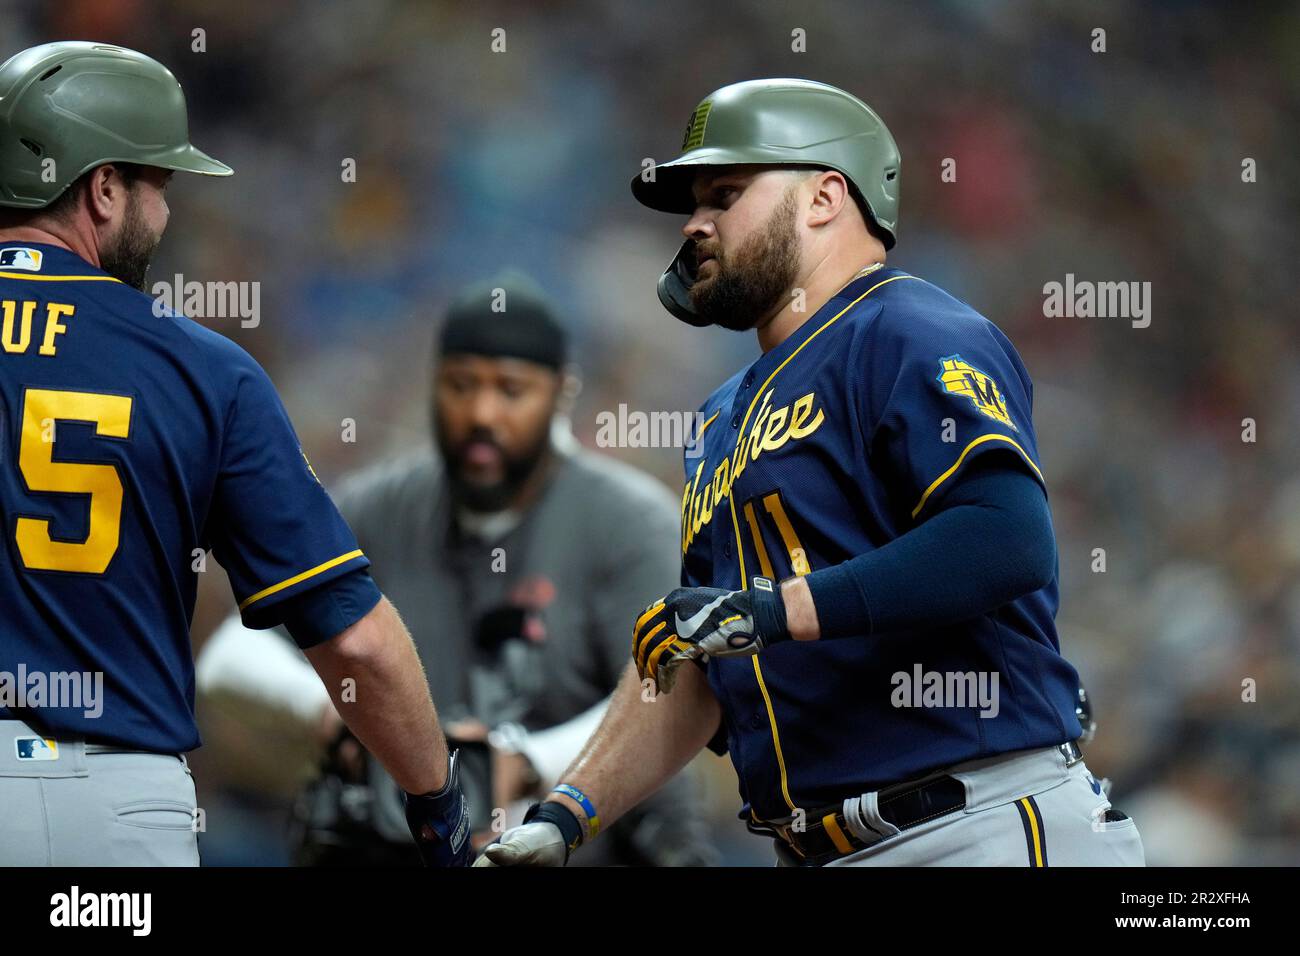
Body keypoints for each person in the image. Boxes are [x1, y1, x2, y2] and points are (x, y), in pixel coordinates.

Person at [476, 78, 1145, 867]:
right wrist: (565, 816)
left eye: (725, 193)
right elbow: (703, 657)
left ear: (826, 196)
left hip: (975, 825)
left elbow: (1005, 539)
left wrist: (770, 610)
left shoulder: (908, 327)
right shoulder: (723, 414)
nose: (694, 223)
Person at [0, 41, 469, 867]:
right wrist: (437, 799)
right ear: (103, 187)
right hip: (105, 807)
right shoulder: (200, 370)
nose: (169, 213)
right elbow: (352, 639)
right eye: (159, 184)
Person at [197, 274, 717, 866]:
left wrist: (523, 765)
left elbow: (671, 683)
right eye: (460, 385)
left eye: (511, 390)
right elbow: (227, 658)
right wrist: (341, 717)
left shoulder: (629, 521)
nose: (481, 413)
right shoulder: (378, 505)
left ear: (561, 393)